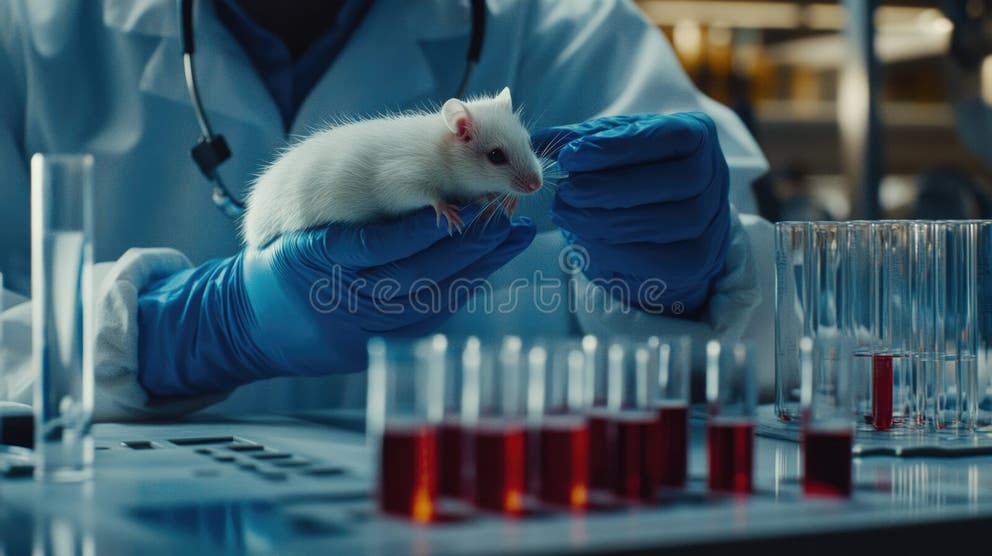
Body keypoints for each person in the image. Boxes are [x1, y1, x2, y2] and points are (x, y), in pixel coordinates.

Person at [0, 0, 775, 419]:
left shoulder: (567, 29)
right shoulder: (28, 35)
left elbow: (792, 322)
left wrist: (698, 275)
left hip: (469, 516)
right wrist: (170, 334)